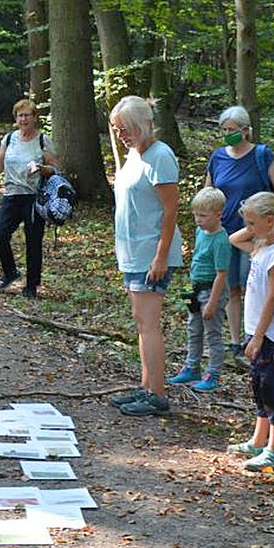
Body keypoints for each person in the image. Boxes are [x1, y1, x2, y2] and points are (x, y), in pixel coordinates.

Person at [107, 95, 183, 418]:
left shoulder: (160, 156)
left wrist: (161, 256)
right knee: (141, 321)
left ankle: (158, 395)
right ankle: (146, 386)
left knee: (148, 322)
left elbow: (171, 210)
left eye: (125, 129)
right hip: (132, 252)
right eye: (117, 129)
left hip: (152, 251)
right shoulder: (134, 156)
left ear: (143, 124)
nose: (121, 135)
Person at [206, 105, 274, 353]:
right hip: (225, 232)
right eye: (224, 129)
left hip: (256, 234)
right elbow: (208, 192)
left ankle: (256, 334)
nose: (228, 134)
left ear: (245, 130)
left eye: (232, 129)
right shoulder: (218, 158)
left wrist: (267, 221)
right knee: (231, 286)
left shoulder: (261, 155)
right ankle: (235, 340)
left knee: (253, 285)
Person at [227, 191, 274, 472]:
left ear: (271, 221)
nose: (249, 229)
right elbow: (234, 239)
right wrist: (254, 225)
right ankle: (258, 440)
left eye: (253, 223)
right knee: (258, 385)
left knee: (271, 389)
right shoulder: (262, 246)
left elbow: (273, 297)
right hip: (256, 330)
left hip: (270, 334)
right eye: (248, 223)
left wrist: (258, 336)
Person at [0, 99, 56, 296]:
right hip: (11, 195)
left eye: (27, 115)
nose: (23, 119)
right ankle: (10, 273)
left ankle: (31, 286)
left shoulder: (43, 140)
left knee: (33, 241)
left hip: (33, 197)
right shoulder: (9, 139)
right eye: (20, 115)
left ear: (35, 118)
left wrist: (42, 169)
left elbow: (56, 169)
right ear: (16, 118)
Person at [166, 187, 232, 392]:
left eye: (203, 215)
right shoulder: (199, 232)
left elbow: (222, 274)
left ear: (218, 214)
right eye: (195, 214)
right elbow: (196, 260)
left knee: (212, 334)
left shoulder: (221, 241)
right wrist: (188, 290)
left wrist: (212, 303)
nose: (198, 219)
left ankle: (213, 375)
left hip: (211, 290)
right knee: (193, 328)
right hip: (193, 286)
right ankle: (191, 367)